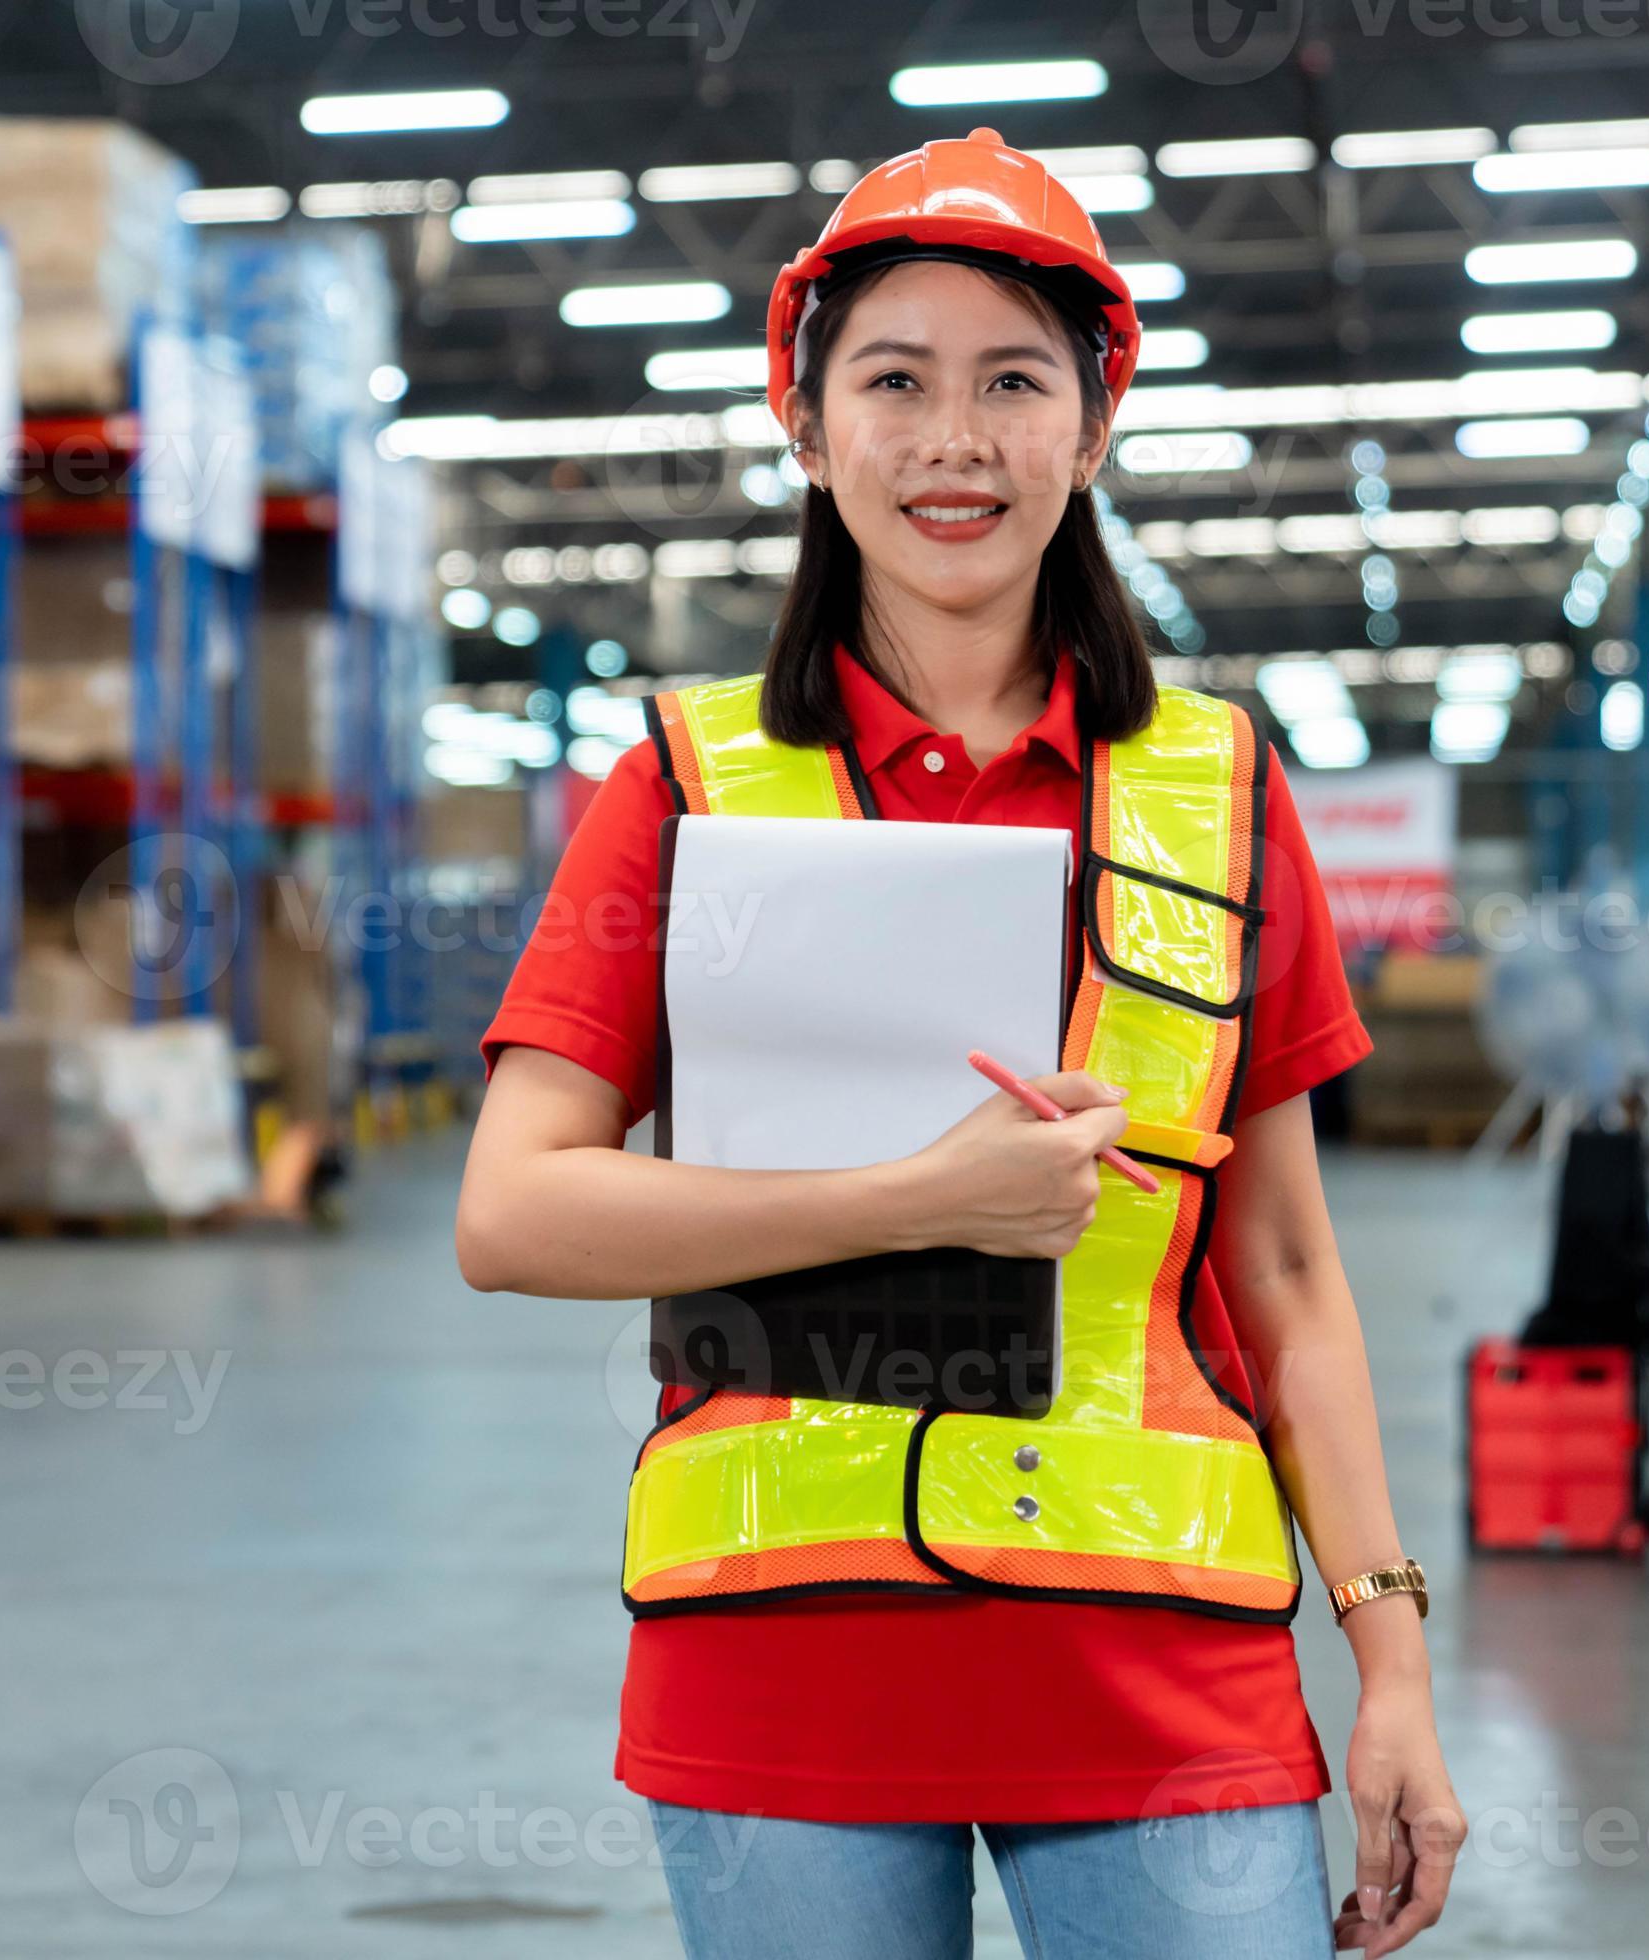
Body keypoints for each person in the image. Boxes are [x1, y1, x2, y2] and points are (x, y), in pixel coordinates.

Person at [459, 129, 1462, 1959]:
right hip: (784, 1666)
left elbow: (1296, 1279)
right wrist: (915, 1195)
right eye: (894, 380)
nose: (954, 440)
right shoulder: (683, 787)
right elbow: (514, 1214)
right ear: (806, 420)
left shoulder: (1221, 789)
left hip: (1163, 1670)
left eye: (1014, 384)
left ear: (1091, 432)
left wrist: (1389, 1666)